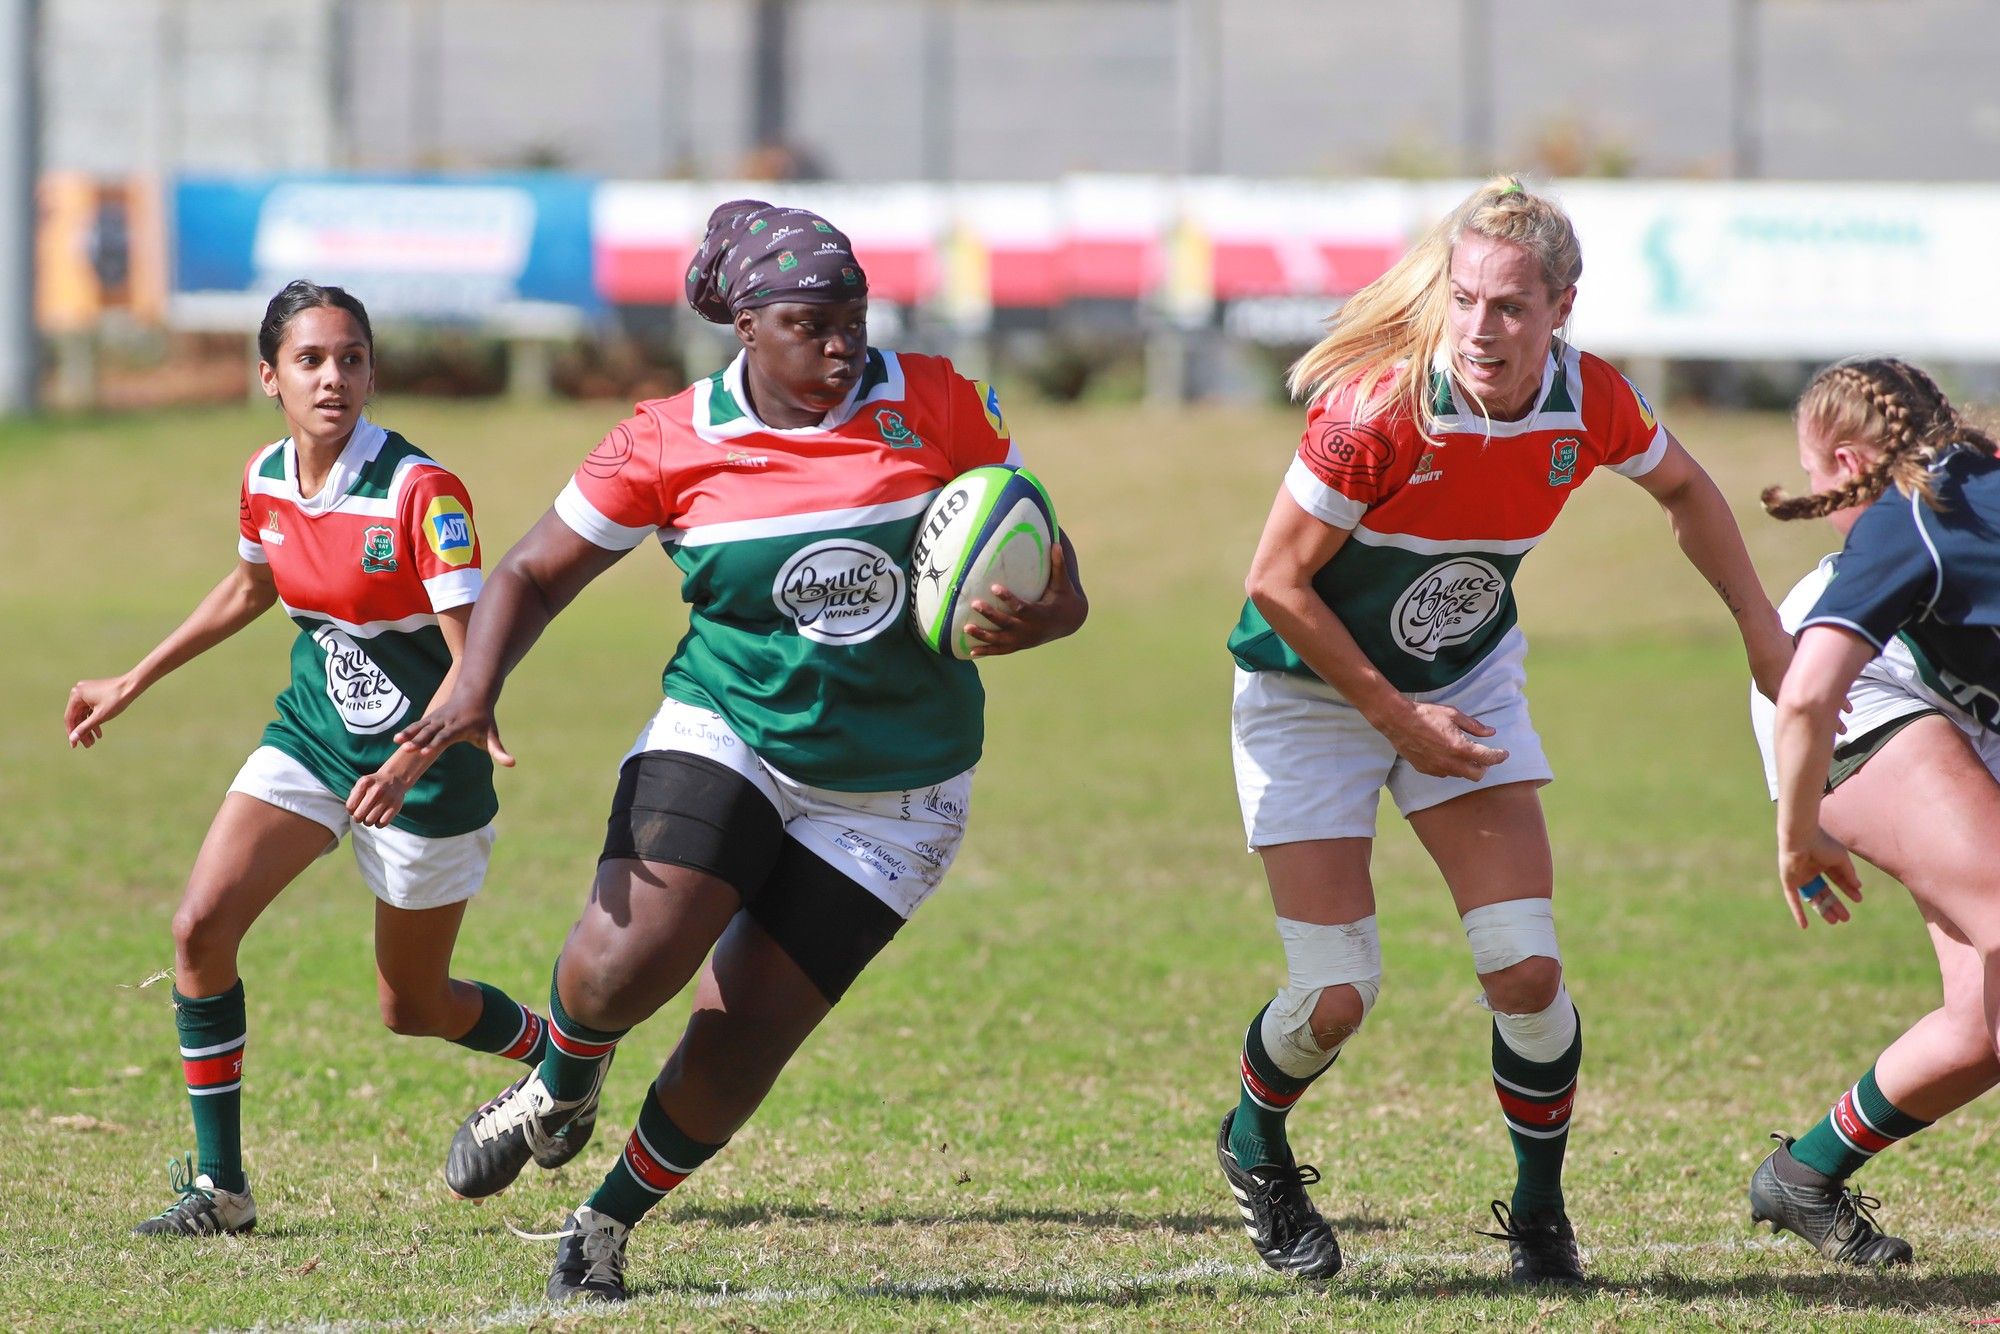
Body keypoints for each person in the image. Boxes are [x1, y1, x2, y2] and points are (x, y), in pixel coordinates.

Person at [397, 199, 1087, 1303]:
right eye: (811, 323)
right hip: (732, 729)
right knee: (623, 961)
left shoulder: (939, 402)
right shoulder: (670, 437)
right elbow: (528, 571)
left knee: (740, 1035)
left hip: (896, 789)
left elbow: (1044, 554)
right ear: (746, 328)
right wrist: (473, 684)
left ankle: (606, 1217)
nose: (840, 343)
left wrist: (1050, 612)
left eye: (854, 316)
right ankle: (561, 1082)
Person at [1215, 176, 1791, 1285]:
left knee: (1523, 970)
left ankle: (1536, 1214)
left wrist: (1761, 632)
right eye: (1466, 300)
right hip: (1309, 696)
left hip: (1463, 680)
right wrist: (1393, 717)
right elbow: (1275, 582)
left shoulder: (1590, 400)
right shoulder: (1378, 405)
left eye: (1511, 307)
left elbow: (1684, 489)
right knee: (1334, 995)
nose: (1482, 328)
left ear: (1560, 308)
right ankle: (1253, 1139)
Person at [64, 281, 558, 1238]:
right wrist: (133, 678)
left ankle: (561, 1059)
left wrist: (420, 755)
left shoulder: (421, 493)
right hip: (314, 736)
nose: (334, 377)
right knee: (199, 927)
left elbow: (474, 667)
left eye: (352, 358)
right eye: (311, 360)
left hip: (424, 775)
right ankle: (222, 1191)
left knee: (410, 1004)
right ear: (268, 377)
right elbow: (250, 589)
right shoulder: (266, 478)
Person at [1752, 357, 2000, 1265]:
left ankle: (1803, 1174)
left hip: (1963, 690)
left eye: (1816, 482)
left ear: (1849, 460)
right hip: (1863, 687)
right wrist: (1797, 836)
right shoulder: (1910, 525)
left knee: (1984, 1021)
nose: (1820, 502)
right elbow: (1808, 697)